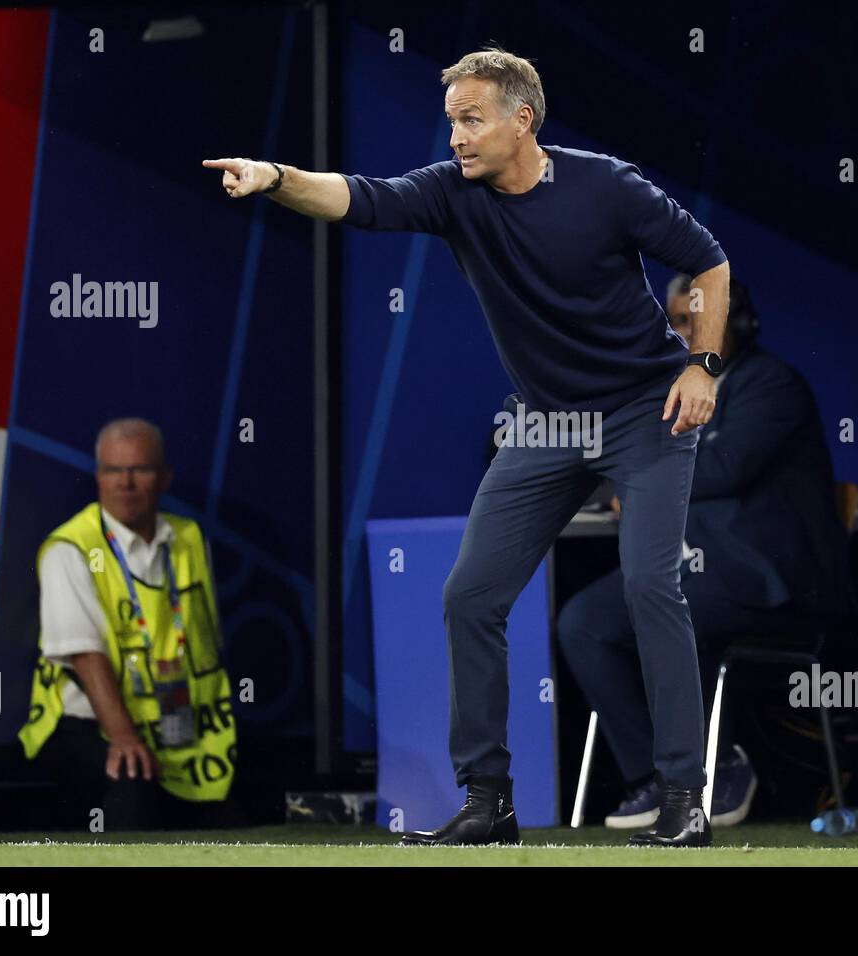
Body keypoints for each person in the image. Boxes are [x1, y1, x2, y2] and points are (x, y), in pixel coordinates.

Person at [205, 47, 730, 846]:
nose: (456, 136)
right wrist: (276, 176)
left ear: (522, 120)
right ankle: (489, 801)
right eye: (452, 120)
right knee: (469, 597)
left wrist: (703, 366)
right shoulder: (451, 195)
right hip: (545, 425)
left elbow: (708, 262)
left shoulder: (606, 186)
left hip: (641, 413)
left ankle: (685, 797)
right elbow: (359, 199)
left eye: (471, 118)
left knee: (651, 587)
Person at [558, 275, 857, 828]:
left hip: (772, 579)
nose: (684, 333)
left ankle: (713, 770)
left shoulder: (771, 384)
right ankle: (657, 780)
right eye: (676, 321)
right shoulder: (664, 393)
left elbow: (724, 466)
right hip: (698, 574)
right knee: (584, 622)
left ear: (733, 322)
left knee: (675, 611)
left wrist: (635, 481)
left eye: (696, 319)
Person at [19, 418, 242, 831]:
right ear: (98, 478)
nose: (125, 482)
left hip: (175, 721)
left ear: (164, 478)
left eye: (138, 470)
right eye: (112, 470)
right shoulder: (71, 548)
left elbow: (204, 640)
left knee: (227, 814)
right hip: (88, 724)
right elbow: (87, 657)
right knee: (135, 793)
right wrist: (123, 737)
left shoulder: (189, 538)